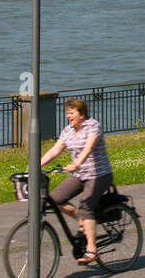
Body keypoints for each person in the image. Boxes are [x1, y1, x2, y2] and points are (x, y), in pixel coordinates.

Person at [39, 97, 113, 265]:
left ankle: (92, 250)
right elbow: (55, 150)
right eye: (67, 113)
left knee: (86, 206)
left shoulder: (93, 126)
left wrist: (77, 163)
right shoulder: (68, 131)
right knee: (55, 199)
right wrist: (36, 165)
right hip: (80, 175)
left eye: (71, 113)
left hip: (98, 175)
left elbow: (89, 147)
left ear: (82, 114)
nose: (68, 116)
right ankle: (82, 222)